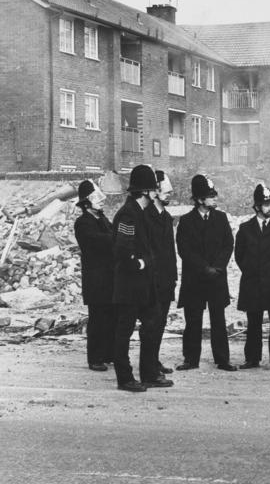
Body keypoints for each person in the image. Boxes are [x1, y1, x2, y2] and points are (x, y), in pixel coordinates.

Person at [112, 165, 172, 392]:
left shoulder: (141, 213)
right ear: (145, 191)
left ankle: (148, 374)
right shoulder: (128, 214)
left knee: (152, 325)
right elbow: (121, 250)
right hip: (129, 285)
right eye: (154, 189)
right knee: (124, 332)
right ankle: (124, 378)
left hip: (144, 286)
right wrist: (141, 263)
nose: (157, 192)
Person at [175, 175, 237, 372]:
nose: (215, 199)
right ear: (200, 199)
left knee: (218, 320)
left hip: (217, 278)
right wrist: (204, 268)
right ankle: (191, 359)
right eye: (210, 196)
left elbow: (228, 244)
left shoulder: (221, 218)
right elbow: (184, 250)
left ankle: (222, 359)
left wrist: (218, 267)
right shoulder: (185, 221)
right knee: (193, 321)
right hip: (195, 280)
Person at [235, 184, 270, 371]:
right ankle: (252, 358)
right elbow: (239, 256)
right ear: (257, 206)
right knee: (254, 323)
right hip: (253, 282)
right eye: (266, 204)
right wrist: (253, 271)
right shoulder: (245, 229)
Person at [73, 180, 116, 372]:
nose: (100, 202)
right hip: (96, 279)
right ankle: (95, 358)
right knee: (97, 319)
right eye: (95, 199)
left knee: (109, 317)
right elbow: (96, 242)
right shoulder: (83, 222)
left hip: (109, 277)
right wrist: (116, 239)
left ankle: (108, 353)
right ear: (86, 202)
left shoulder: (102, 219)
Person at [146, 170, 178, 376]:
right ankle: (148, 366)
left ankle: (154, 360)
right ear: (155, 191)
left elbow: (170, 251)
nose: (169, 194)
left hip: (166, 281)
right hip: (151, 281)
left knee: (160, 323)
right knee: (151, 324)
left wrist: (173, 278)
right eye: (166, 191)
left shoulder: (165, 217)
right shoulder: (146, 217)